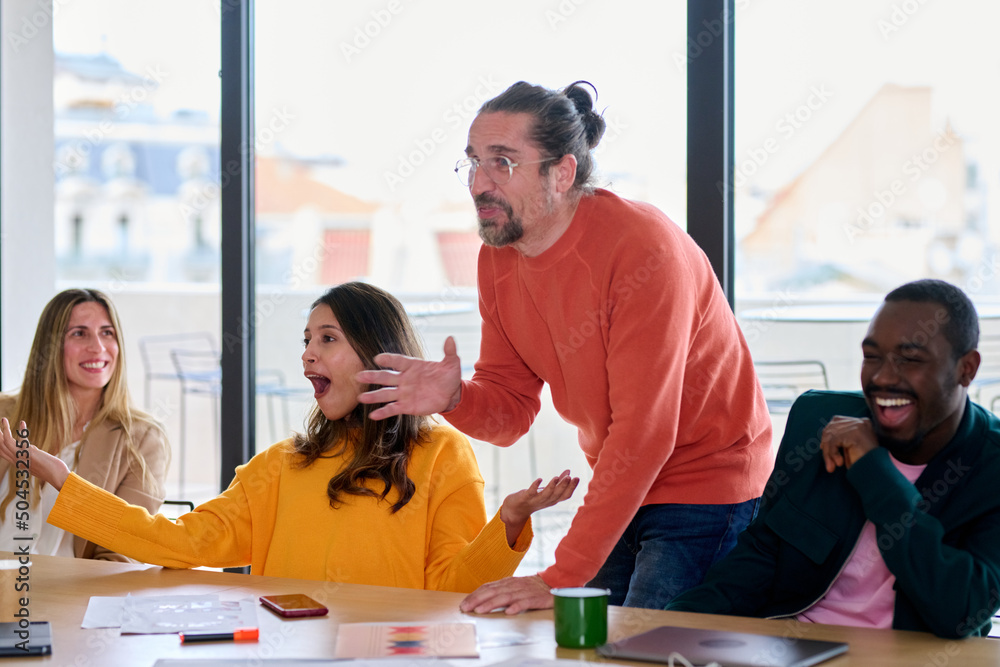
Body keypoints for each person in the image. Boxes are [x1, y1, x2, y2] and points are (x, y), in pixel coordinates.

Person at [357, 81, 773, 612]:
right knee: (576, 641)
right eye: (473, 163)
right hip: (622, 481)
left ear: (563, 172)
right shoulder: (498, 258)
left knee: (642, 645)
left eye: (502, 163)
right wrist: (454, 399)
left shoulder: (642, 249)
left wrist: (557, 578)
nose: (479, 184)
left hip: (706, 483)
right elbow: (509, 413)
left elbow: (645, 434)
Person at [0, 282, 578, 593]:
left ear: (377, 350)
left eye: (327, 339)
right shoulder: (280, 465)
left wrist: (506, 526)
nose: (306, 353)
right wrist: (61, 480)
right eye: (306, 338)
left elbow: (449, 585)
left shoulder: (444, 455)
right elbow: (177, 542)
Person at [668, 279, 1000, 638]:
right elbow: (759, 560)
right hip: (792, 649)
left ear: (967, 368)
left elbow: (961, 612)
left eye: (910, 359)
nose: (884, 377)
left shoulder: (989, 466)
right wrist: (670, 627)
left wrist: (875, 471)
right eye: (872, 357)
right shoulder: (818, 421)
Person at [0, 288, 169, 561]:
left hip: (73, 600)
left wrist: (60, 479)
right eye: (79, 333)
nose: (98, 348)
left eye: (107, 333)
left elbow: (124, 555)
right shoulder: (3, 415)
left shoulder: (142, 440)